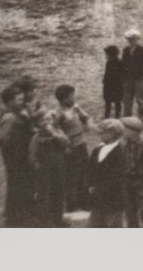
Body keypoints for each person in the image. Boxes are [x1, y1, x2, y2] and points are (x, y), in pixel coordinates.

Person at [0, 84, 36, 226]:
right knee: (17, 185)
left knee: (23, 184)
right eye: (19, 100)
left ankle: (20, 214)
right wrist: (14, 155)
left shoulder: (18, 114)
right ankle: (16, 218)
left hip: (21, 156)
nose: (23, 102)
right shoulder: (10, 118)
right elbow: (4, 140)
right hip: (16, 159)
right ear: (10, 102)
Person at [29, 109, 69, 227]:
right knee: (44, 194)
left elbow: (66, 143)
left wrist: (54, 134)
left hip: (58, 166)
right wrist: (36, 164)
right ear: (37, 123)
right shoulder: (36, 137)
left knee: (59, 192)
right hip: (44, 169)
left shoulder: (58, 132)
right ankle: (45, 221)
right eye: (43, 120)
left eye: (49, 119)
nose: (46, 122)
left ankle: (58, 218)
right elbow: (32, 155)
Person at [54, 84, 91, 212]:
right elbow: (56, 129)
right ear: (64, 99)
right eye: (72, 96)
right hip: (70, 146)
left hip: (81, 143)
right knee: (72, 175)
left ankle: (84, 200)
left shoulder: (75, 108)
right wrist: (65, 144)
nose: (74, 97)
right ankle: (72, 203)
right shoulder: (58, 113)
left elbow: (86, 119)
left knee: (84, 172)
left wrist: (82, 114)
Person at [86, 119, 128, 228]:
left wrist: (99, 188)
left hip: (114, 200)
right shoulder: (98, 149)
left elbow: (117, 178)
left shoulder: (120, 153)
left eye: (103, 132)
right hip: (98, 199)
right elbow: (90, 169)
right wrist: (90, 184)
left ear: (113, 134)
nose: (100, 134)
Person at [121, 29, 143, 118]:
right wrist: (123, 75)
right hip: (127, 78)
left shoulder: (142, 50)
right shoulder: (126, 50)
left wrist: (141, 72)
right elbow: (123, 63)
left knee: (140, 98)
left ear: (137, 39)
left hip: (138, 78)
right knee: (127, 99)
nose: (132, 41)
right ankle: (127, 116)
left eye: (134, 39)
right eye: (130, 39)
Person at [102, 45, 123, 119]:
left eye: (107, 53)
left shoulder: (118, 62)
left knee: (116, 102)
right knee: (109, 101)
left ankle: (115, 116)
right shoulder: (109, 62)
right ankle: (108, 116)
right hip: (110, 85)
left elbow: (120, 75)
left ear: (111, 54)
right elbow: (106, 73)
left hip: (116, 85)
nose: (106, 55)